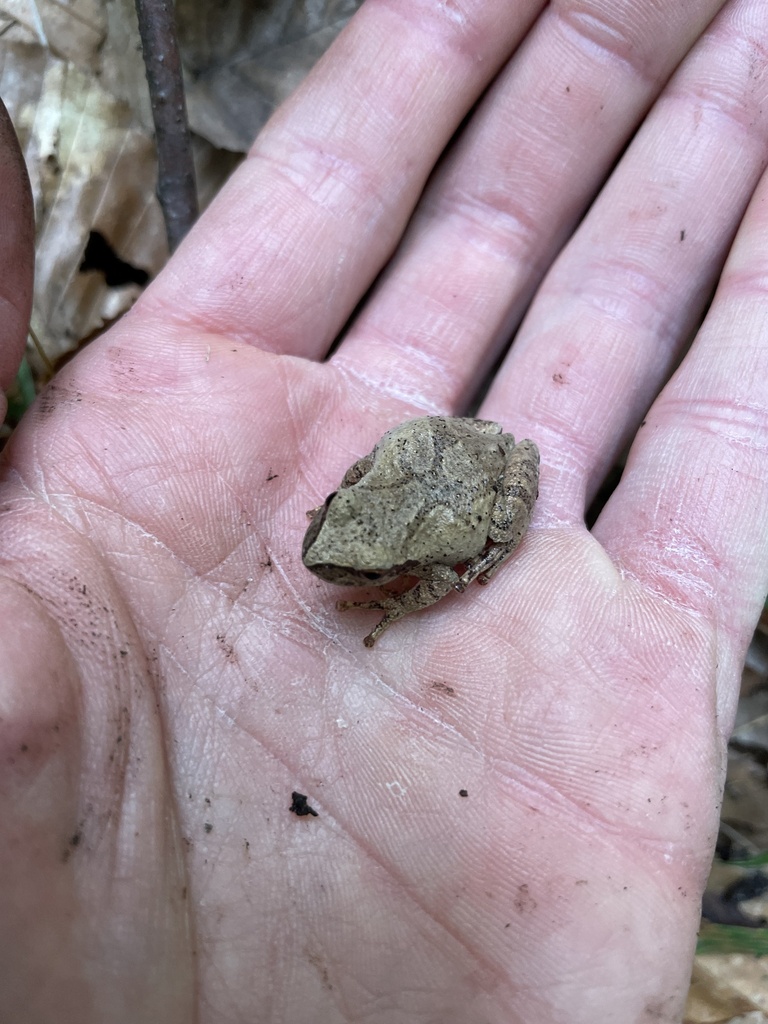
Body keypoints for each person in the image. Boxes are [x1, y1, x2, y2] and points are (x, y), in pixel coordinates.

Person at [2, 0, 766, 1020]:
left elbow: (450, 553)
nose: (322, 562)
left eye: (351, 567)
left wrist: (412, 592)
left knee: (473, 527)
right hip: (441, 451)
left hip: (473, 474)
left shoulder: (416, 559)